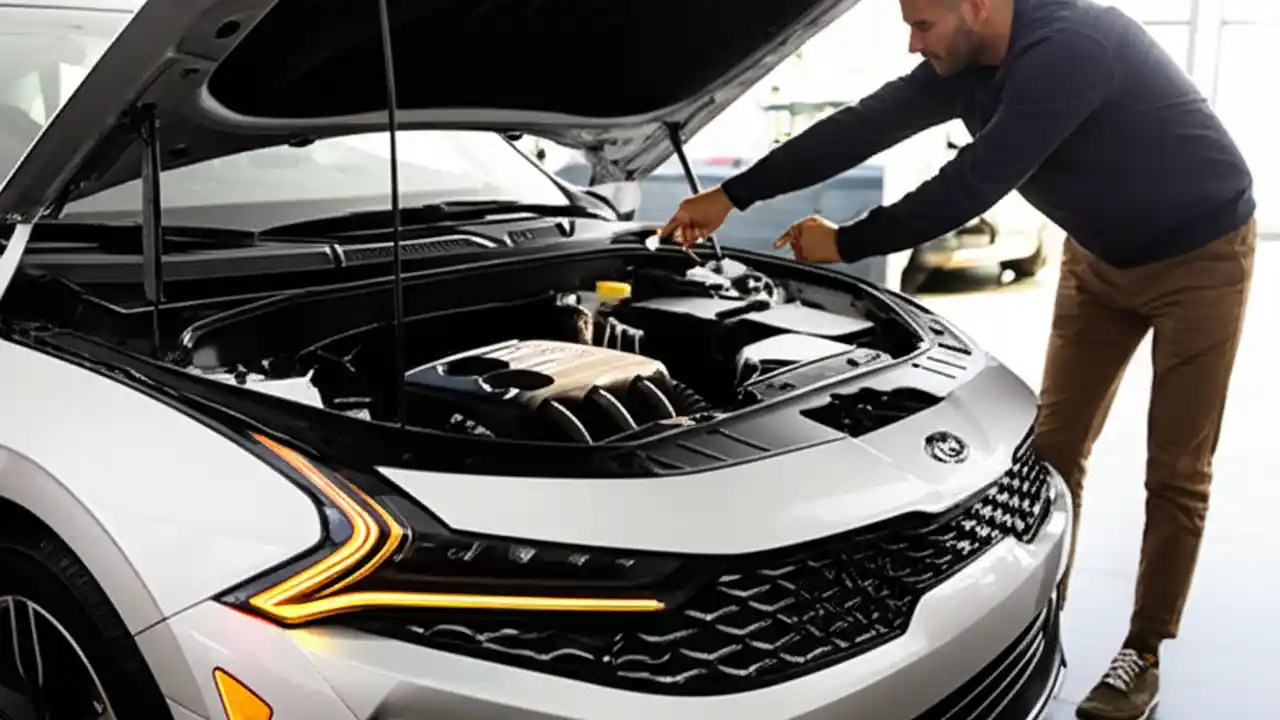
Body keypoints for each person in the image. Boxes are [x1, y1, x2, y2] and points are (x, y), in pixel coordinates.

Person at [659, 0, 1255, 718]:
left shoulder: (1074, 47)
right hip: (1098, 260)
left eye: (922, 24)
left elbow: (974, 182)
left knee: (1176, 470)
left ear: (977, 6)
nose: (913, 44)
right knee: (1056, 446)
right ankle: (1040, 605)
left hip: (1201, 255)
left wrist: (848, 242)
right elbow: (857, 128)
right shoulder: (962, 60)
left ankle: (1144, 651)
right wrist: (731, 194)